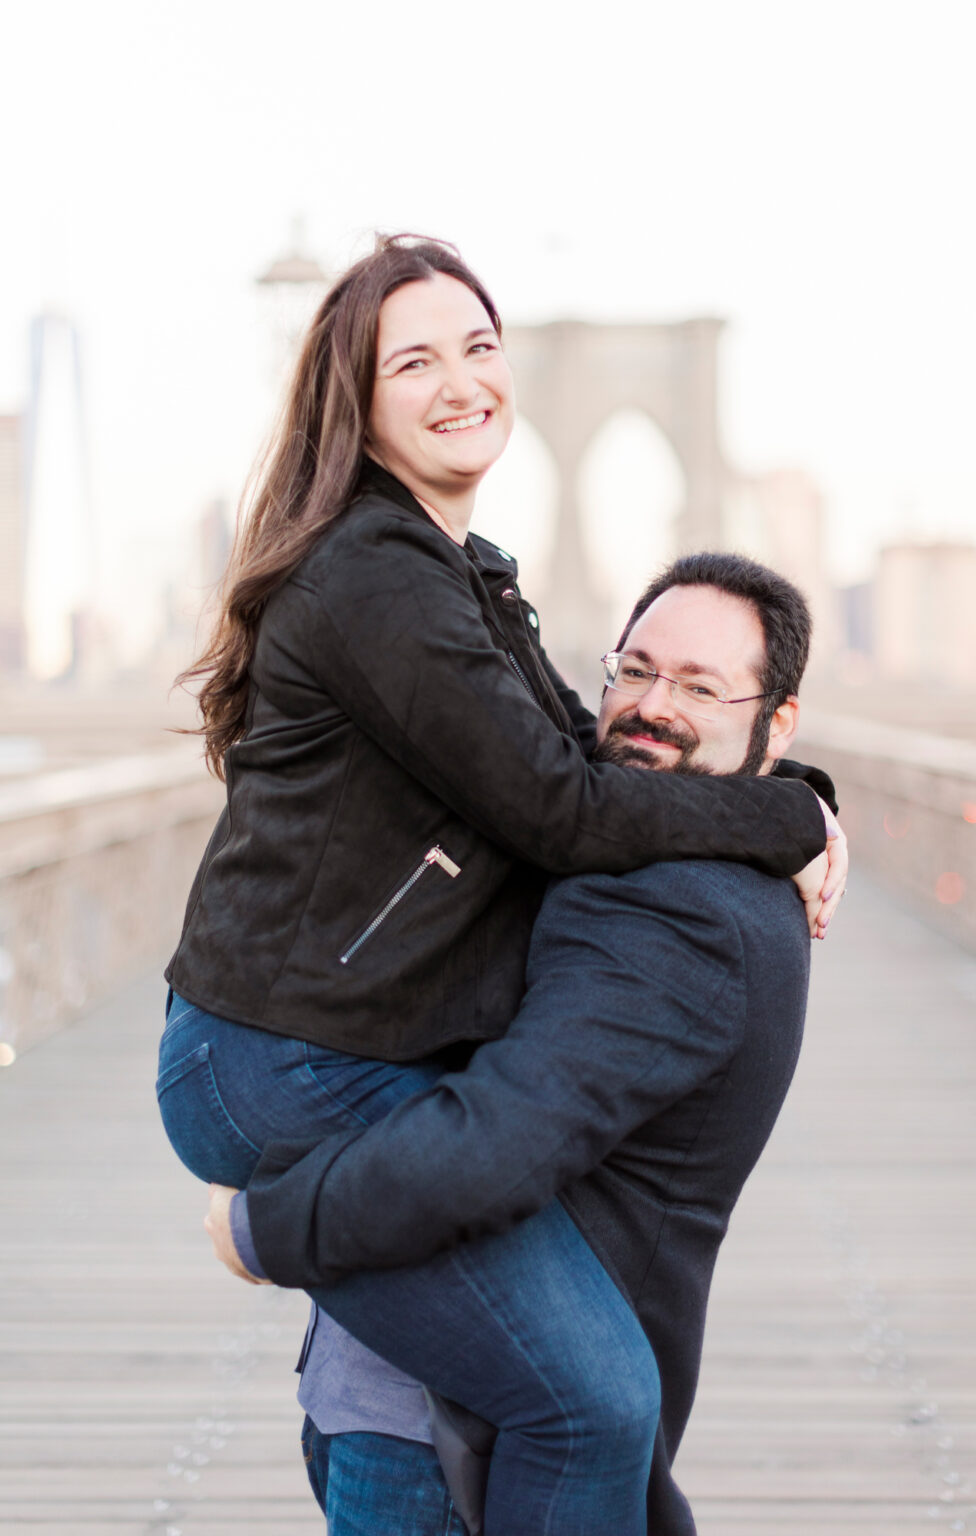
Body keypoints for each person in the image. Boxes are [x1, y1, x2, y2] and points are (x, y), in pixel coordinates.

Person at [156, 234, 844, 1535]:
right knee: (591, 1403)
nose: (462, 380)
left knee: (590, 1399)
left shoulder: (464, 576)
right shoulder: (375, 573)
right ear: (354, 404)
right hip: (283, 1056)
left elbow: (566, 764)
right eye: (412, 360)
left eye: (480, 346)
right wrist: (788, 809)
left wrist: (792, 806)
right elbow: (564, 806)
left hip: (330, 1045)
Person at [208, 552, 822, 1536]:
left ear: (773, 719)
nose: (652, 704)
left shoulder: (680, 913)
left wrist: (261, 1228)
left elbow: (497, 1138)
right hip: (411, 1391)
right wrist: (801, 805)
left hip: (451, 1437)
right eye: (635, 669)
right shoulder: (644, 837)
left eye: (700, 686)